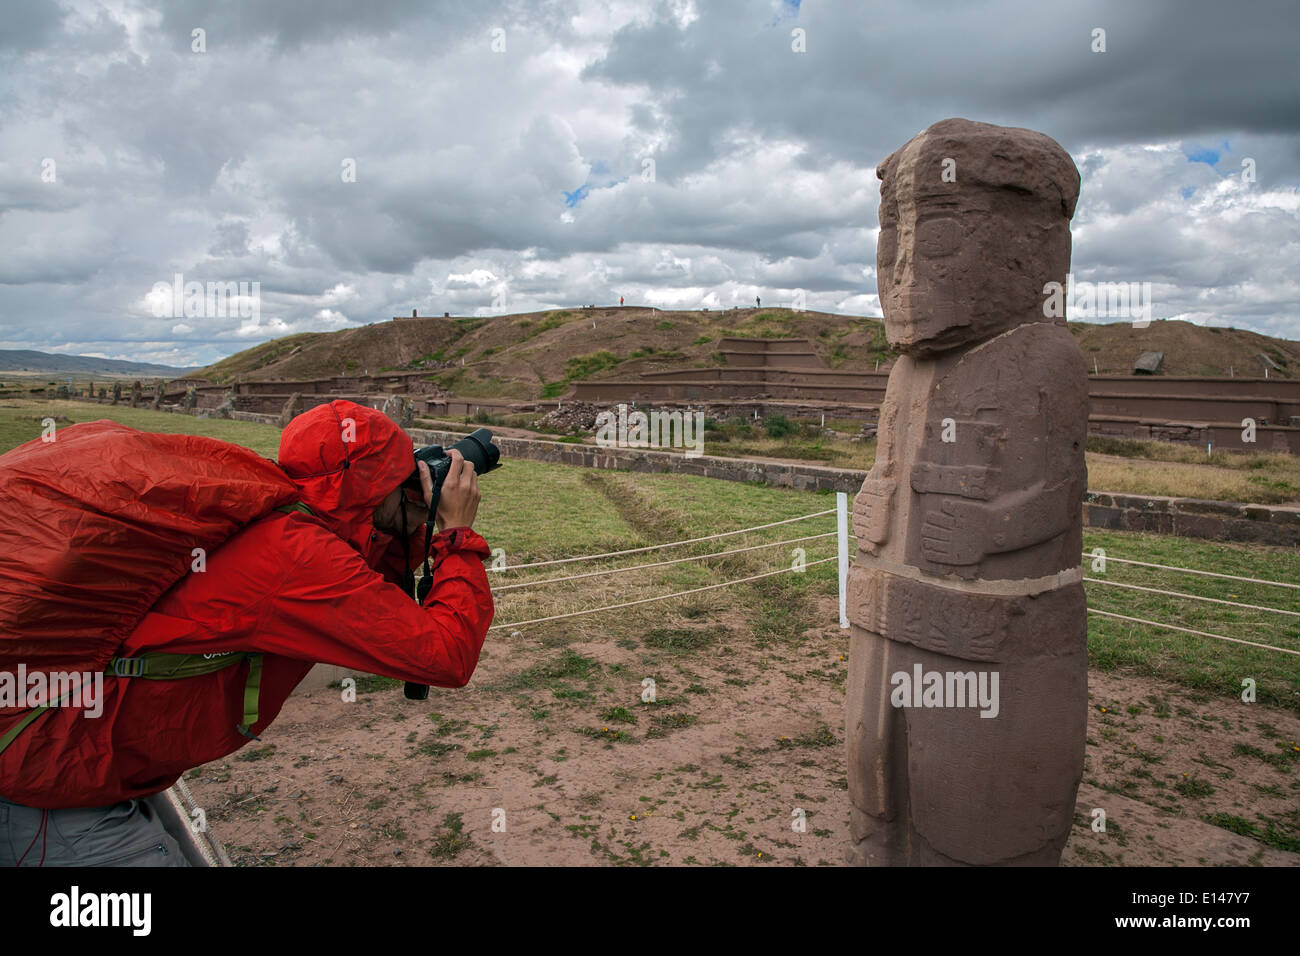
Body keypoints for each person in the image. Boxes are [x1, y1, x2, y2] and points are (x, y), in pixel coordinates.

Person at [0, 400, 493, 866]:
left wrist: (399, 518)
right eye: (398, 474)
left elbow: (367, 588)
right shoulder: (294, 557)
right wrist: (454, 536)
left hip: (85, 759)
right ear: (368, 486)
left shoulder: (277, 510)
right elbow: (444, 655)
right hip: (50, 783)